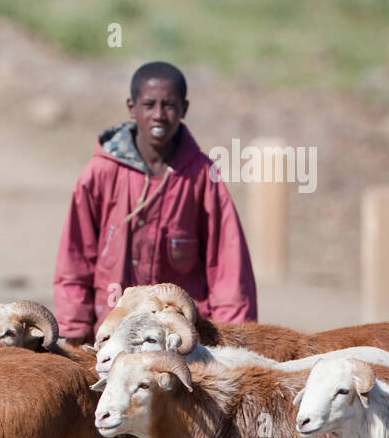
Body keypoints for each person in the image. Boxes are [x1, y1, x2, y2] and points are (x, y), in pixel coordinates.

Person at [52, 61, 257, 344]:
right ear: (131, 107)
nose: (159, 115)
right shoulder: (101, 173)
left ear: (184, 109)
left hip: (180, 338)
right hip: (112, 333)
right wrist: (75, 331)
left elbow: (228, 268)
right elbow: (75, 260)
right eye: (149, 105)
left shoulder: (201, 177)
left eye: (169, 105)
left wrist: (234, 340)